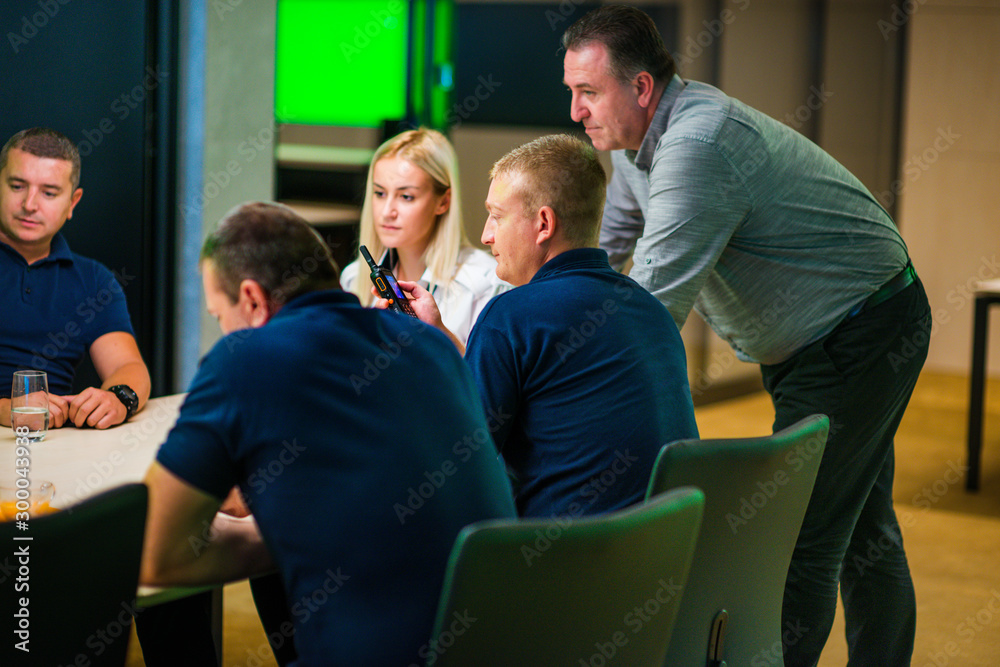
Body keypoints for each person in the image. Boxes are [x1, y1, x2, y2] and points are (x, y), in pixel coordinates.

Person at [561, 6, 931, 665]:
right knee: (862, 527)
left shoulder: (698, 144)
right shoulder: (636, 155)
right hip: (814, 337)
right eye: (572, 93)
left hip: (860, 330)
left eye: (588, 92)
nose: (575, 111)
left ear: (641, 88)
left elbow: (649, 311)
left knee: (801, 539)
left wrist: (563, 387)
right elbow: (601, 255)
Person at [140, 202, 516, 666]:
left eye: (221, 314)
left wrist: (263, 539)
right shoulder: (429, 343)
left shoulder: (245, 359)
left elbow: (156, 552)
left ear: (253, 301)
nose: (224, 329)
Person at [402, 134, 699, 519]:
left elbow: (455, 462)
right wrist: (439, 335)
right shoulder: (650, 309)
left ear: (544, 224)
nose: (486, 235)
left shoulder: (510, 316)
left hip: (558, 565)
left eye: (497, 215)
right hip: (660, 559)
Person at [0, 127, 149, 429]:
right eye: (17, 186)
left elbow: (128, 366)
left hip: (56, 445)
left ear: (72, 203)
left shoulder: (94, 280)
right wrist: (4, 410)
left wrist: (117, 399)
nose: (30, 204)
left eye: (49, 192)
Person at [341, 127, 508, 346]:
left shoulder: (485, 284)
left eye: (406, 196)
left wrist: (438, 333)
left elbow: (489, 378)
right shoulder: (354, 278)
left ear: (443, 201)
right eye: (380, 193)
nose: (387, 212)